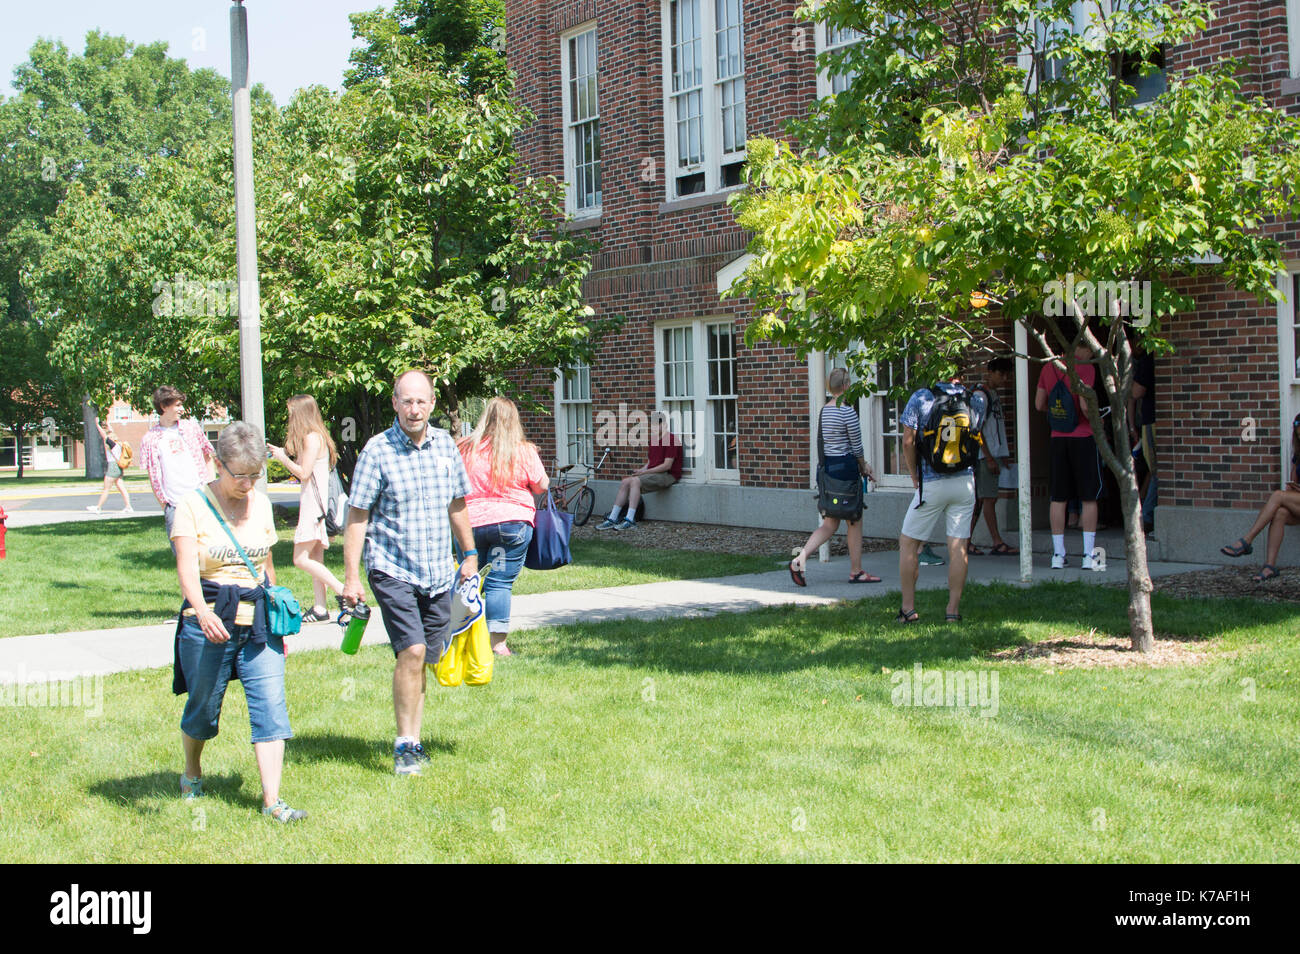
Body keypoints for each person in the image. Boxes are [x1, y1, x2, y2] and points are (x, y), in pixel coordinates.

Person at [342, 370, 478, 776]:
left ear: (432, 404)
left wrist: (469, 554)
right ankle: (404, 745)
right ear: (395, 404)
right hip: (392, 567)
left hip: (438, 570)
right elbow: (357, 516)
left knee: (426, 657)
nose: (414, 409)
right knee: (412, 651)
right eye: (407, 401)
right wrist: (352, 578)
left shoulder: (446, 447)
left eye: (422, 401)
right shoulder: (376, 451)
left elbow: (457, 505)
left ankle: (415, 740)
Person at [170, 421, 305, 822]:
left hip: (258, 622)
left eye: (255, 475)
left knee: (271, 708)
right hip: (208, 618)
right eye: (239, 475)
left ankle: (272, 802)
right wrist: (204, 611)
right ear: (217, 464)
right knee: (203, 710)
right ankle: (192, 770)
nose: (248, 484)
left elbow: (266, 565)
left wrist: (277, 618)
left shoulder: (260, 504)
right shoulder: (191, 505)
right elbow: (187, 571)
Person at [456, 397, 549, 656]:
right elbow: (541, 485)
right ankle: (497, 645)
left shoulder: (464, 448)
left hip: (470, 524)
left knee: (469, 581)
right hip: (512, 524)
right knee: (499, 583)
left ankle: (461, 639)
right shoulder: (523, 449)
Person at [897, 380, 987, 623]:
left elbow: (908, 441)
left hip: (932, 482)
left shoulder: (922, 397)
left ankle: (908, 609)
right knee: (958, 547)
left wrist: (914, 474)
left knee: (908, 543)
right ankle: (952, 611)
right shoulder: (975, 401)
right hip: (965, 482)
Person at [789, 367, 879, 585]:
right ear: (847, 386)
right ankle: (856, 571)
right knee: (854, 520)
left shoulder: (825, 411)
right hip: (846, 472)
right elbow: (857, 446)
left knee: (830, 523)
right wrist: (864, 466)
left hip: (829, 472)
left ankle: (800, 558)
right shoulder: (847, 411)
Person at [268, 394, 345, 623]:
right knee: (315, 559)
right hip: (315, 505)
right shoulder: (317, 437)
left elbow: (303, 474)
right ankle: (320, 608)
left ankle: (344, 593)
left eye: (291, 412)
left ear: (300, 413)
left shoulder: (312, 438)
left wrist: (282, 457)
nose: (289, 416)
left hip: (313, 506)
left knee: (300, 559)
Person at [1036, 343, 1104, 569]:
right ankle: (1088, 555)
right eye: (1092, 351)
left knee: (1058, 497)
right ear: (1082, 347)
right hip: (1084, 436)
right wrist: (1096, 419)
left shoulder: (1050, 367)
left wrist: (1061, 414)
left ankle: (1058, 554)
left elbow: (1039, 404)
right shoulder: (1084, 367)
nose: (1093, 355)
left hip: (1058, 437)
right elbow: (1085, 405)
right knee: (1088, 496)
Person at [1220, 414, 1300, 582]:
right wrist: (1293, 485)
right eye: (1298, 433)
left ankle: (1247, 540)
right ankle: (1270, 566)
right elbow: (1292, 484)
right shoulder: (1297, 455)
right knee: (1280, 513)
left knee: (1277, 495)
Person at [139, 386, 216, 551]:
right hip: (174, 504)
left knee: (209, 551)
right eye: (178, 405)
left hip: (200, 498)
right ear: (164, 406)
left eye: (182, 405)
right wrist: (165, 505)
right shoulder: (150, 438)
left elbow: (208, 456)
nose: (182, 409)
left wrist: (210, 487)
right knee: (182, 555)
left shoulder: (191, 428)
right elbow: (153, 476)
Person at [595, 411, 682, 530]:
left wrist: (644, 473)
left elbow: (667, 466)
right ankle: (613, 518)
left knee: (635, 481)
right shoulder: (654, 439)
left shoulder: (671, 439)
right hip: (655, 473)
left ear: (665, 424)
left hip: (668, 475)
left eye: (658, 424)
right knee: (626, 481)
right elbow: (650, 463)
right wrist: (641, 470)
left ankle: (630, 520)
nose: (655, 427)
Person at [968, 358, 1017, 555]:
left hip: (995, 455)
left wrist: (1002, 454)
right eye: (1001, 374)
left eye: (1007, 375)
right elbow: (976, 429)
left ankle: (967, 541)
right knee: (986, 499)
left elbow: (996, 428)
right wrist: (988, 457)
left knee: (985, 500)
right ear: (990, 372)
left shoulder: (993, 395)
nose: (1004, 379)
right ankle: (996, 542)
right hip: (983, 457)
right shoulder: (981, 396)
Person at [1129, 344, 1157, 534]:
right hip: (1153, 420)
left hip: (1151, 421)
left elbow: (1136, 392)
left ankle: (1145, 515)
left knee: (1155, 469)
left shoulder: (1149, 359)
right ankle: (1145, 515)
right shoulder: (1154, 356)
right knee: (1154, 470)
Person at [86, 416, 134, 515]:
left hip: (113, 467)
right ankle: (128, 506)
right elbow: (111, 431)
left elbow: (104, 435)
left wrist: (97, 425)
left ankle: (98, 507)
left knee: (106, 488)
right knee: (121, 487)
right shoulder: (119, 445)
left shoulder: (112, 444)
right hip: (119, 467)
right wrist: (108, 423)